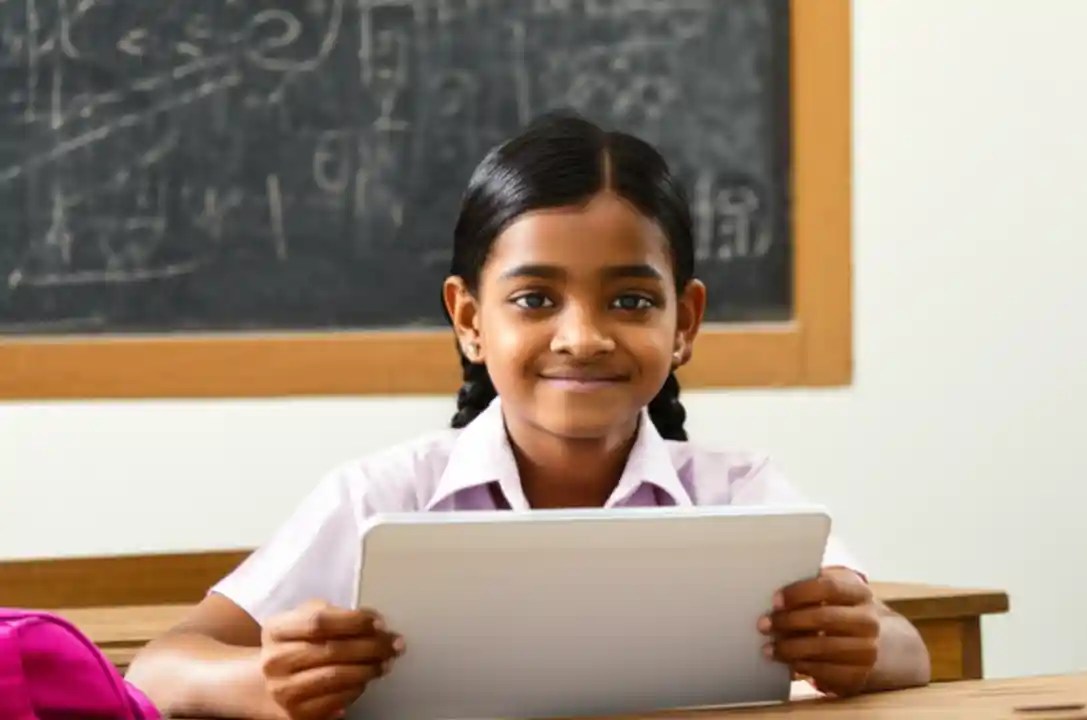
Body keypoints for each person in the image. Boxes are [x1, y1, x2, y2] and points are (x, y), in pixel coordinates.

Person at [125, 112, 930, 720]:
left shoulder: (740, 494)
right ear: (469, 319)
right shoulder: (382, 498)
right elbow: (160, 667)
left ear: (684, 321)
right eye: (536, 299)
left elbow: (908, 648)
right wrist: (261, 681)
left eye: (630, 300)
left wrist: (865, 645)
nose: (583, 337)